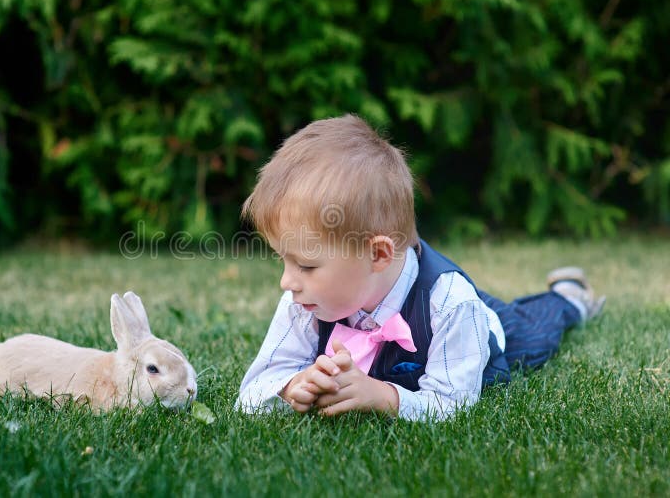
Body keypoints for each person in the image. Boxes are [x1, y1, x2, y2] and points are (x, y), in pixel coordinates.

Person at [235, 114, 605, 420]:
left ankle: (569, 298)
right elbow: (252, 391)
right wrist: (290, 386)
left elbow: (453, 404)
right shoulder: (305, 300)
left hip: (483, 330)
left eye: (307, 265)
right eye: (283, 259)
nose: (287, 282)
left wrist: (383, 396)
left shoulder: (452, 306)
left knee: (537, 329)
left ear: (377, 255)